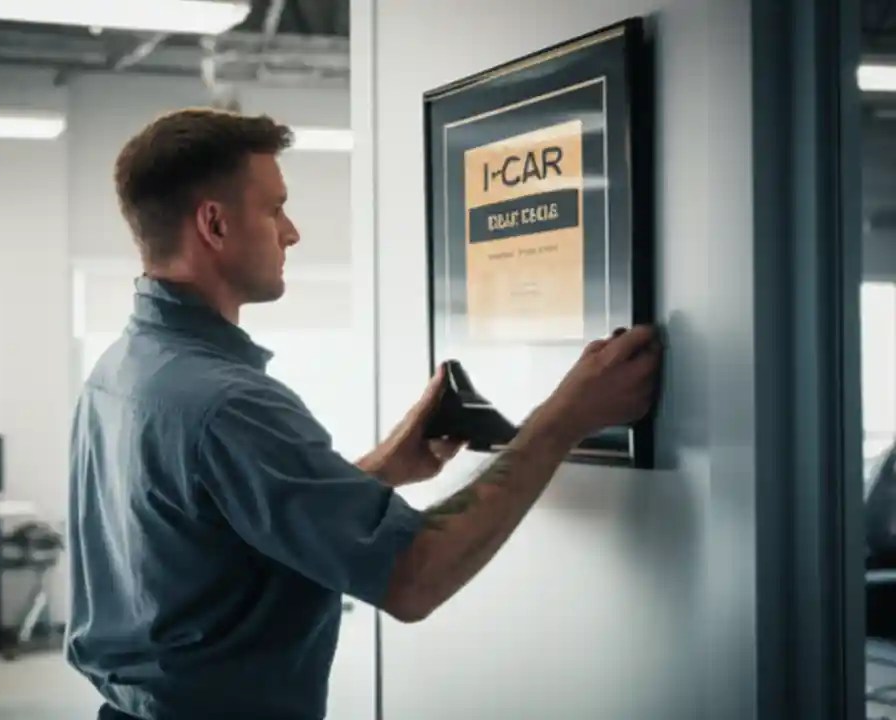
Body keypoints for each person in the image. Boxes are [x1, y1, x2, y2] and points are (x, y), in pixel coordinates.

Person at [65, 108, 661, 720]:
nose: (291, 232)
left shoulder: (122, 369)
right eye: (274, 209)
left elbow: (224, 528)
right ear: (214, 224)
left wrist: (380, 469)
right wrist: (565, 417)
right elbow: (415, 577)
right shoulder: (228, 403)